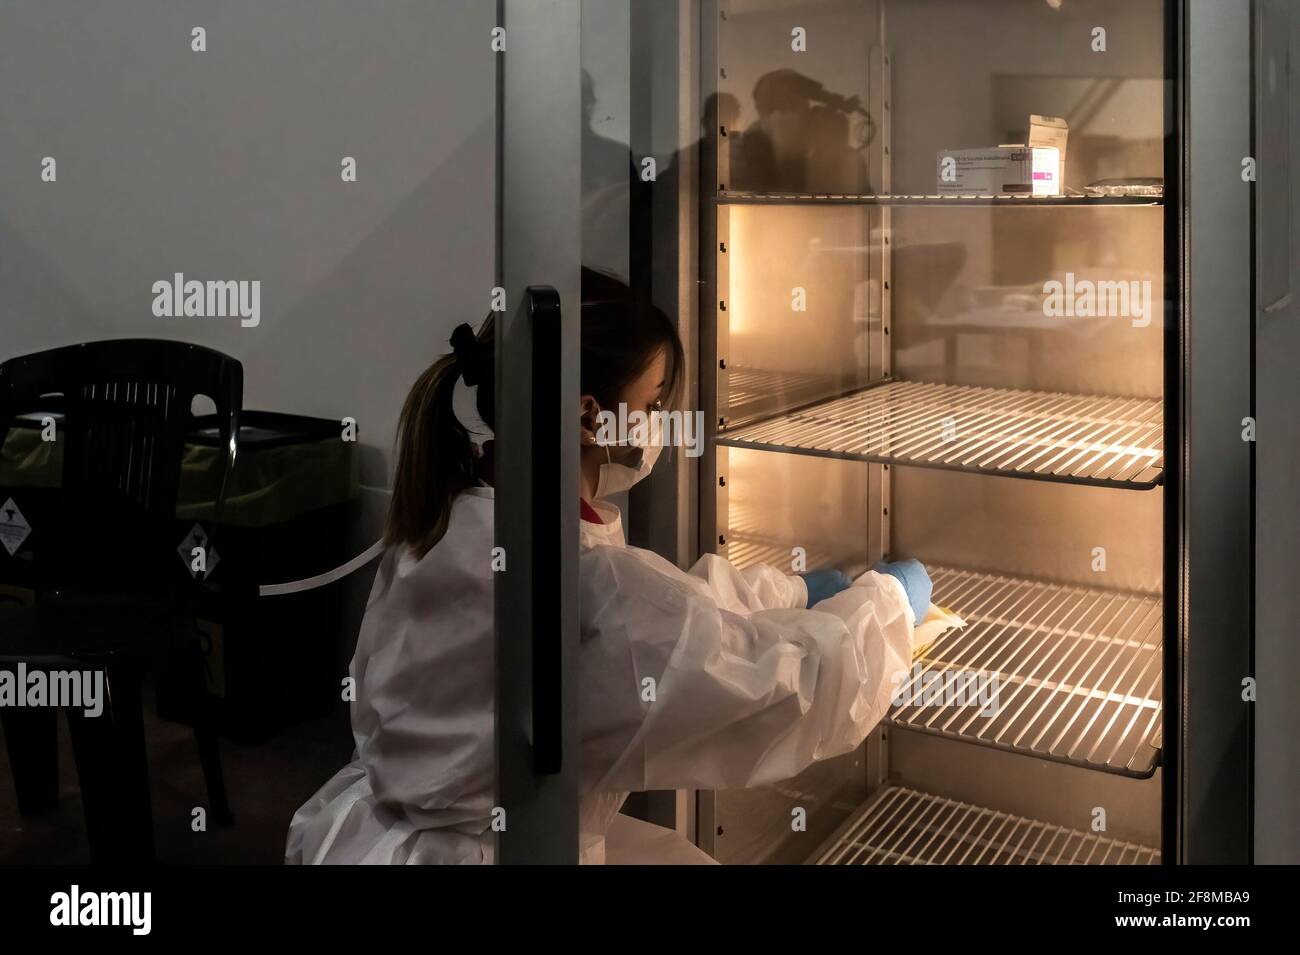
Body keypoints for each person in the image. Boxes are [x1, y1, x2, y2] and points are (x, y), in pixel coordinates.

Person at [285, 268, 932, 865]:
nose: (657, 425)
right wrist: (887, 607)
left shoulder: (457, 510)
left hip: (387, 830)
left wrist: (792, 590)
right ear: (590, 415)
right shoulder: (584, 586)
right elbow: (778, 688)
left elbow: (673, 615)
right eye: (651, 406)